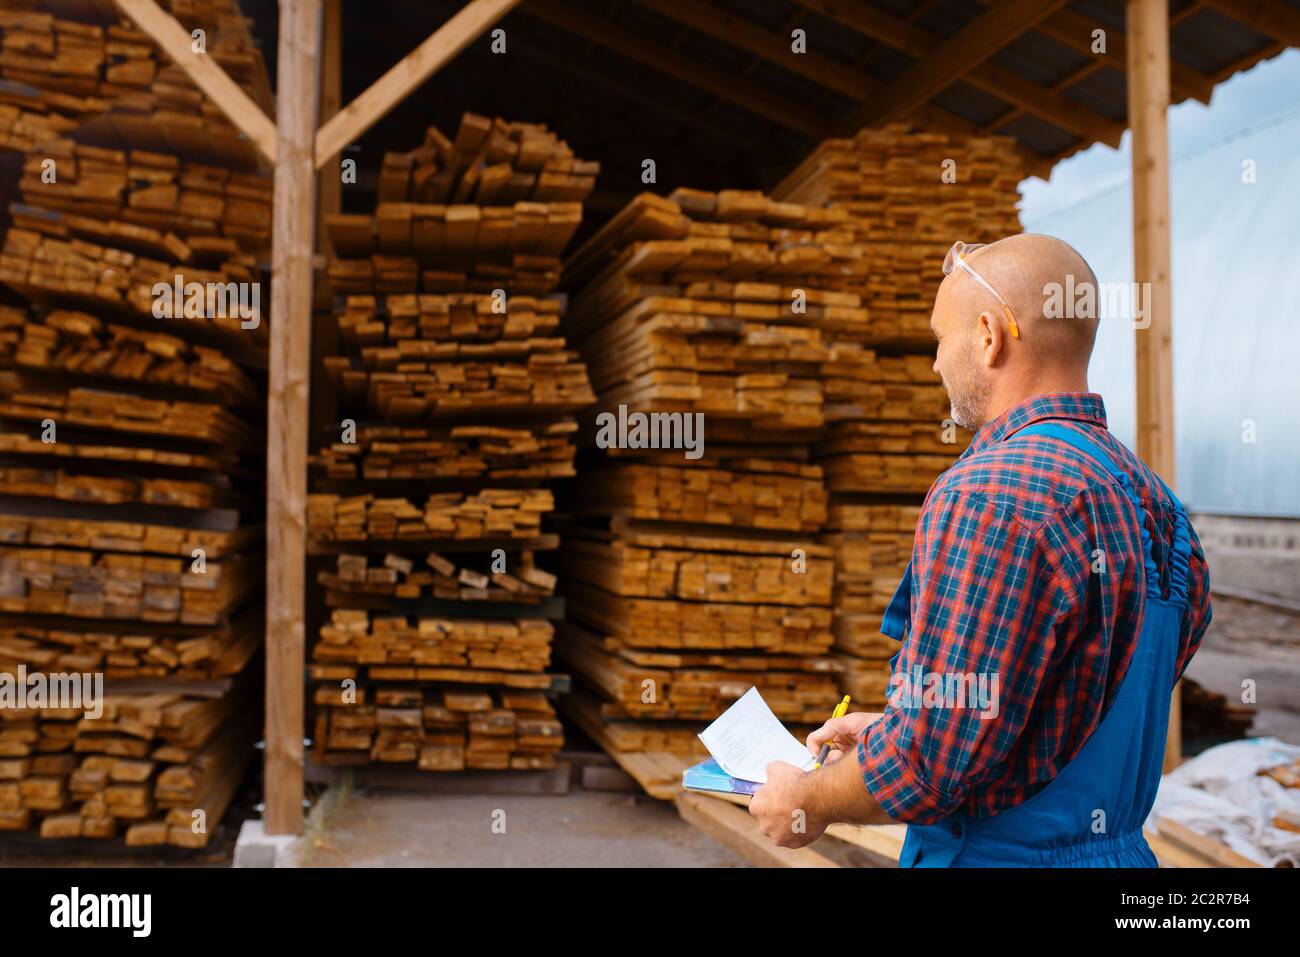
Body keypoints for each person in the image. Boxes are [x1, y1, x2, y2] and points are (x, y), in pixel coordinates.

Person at [748, 234, 1212, 866]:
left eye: (941, 339)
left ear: (990, 336)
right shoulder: (1157, 504)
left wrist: (808, 798)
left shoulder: (990, 493)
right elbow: (1070, 698)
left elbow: (927, 765)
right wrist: (897, 725)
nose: (936, 364)